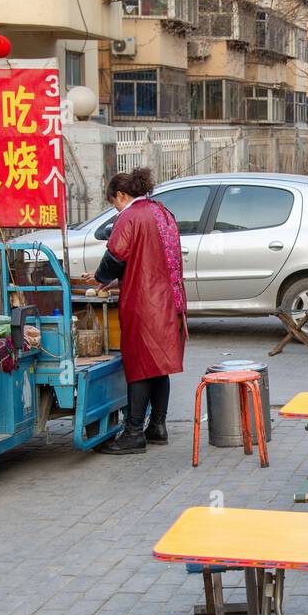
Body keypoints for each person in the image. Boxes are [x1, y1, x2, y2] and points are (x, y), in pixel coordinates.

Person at [92, 168, 188, 454]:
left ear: (121, 195)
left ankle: (134, 432)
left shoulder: (130, 216)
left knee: (139, 367)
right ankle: (157, 426)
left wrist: (100, 280)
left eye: (114, 202)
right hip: (171, 300)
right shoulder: (162, 211)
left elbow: (115, 256)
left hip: (145, 301)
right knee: (160, 366)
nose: (116, 207)